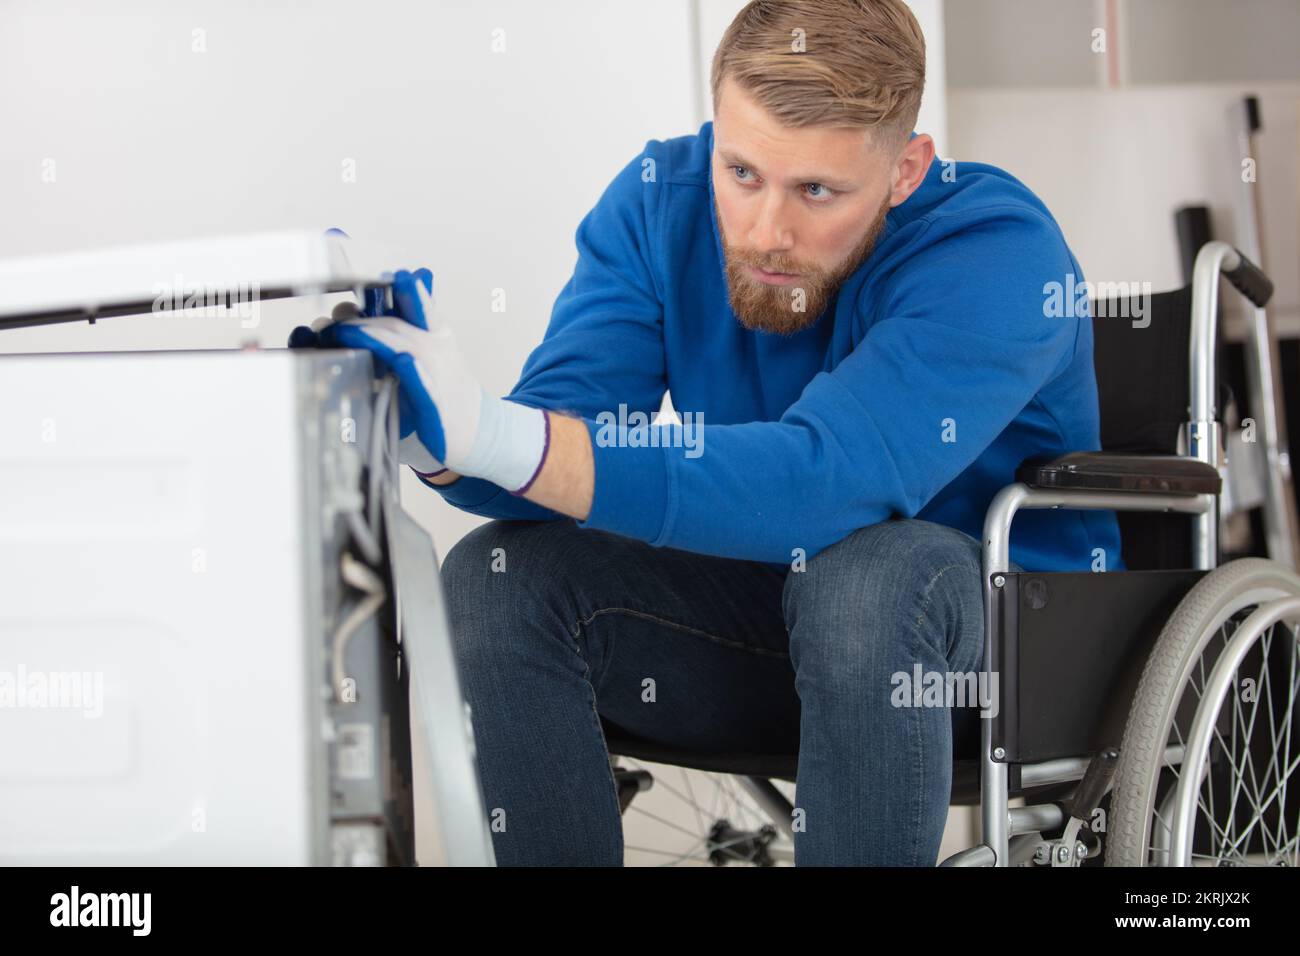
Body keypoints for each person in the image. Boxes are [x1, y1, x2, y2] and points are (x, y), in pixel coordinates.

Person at [300, 0, 1123, 865]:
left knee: (873, 577)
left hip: (1002, 648)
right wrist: (435, 432)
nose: (767, 232)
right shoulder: (664, 202)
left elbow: (825, 483)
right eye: (741, 172)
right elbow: (554, 435)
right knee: (498, 574)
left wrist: (510, 441)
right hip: (787, 622)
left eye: (816, 190)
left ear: (905, 171)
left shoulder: (998, 250)